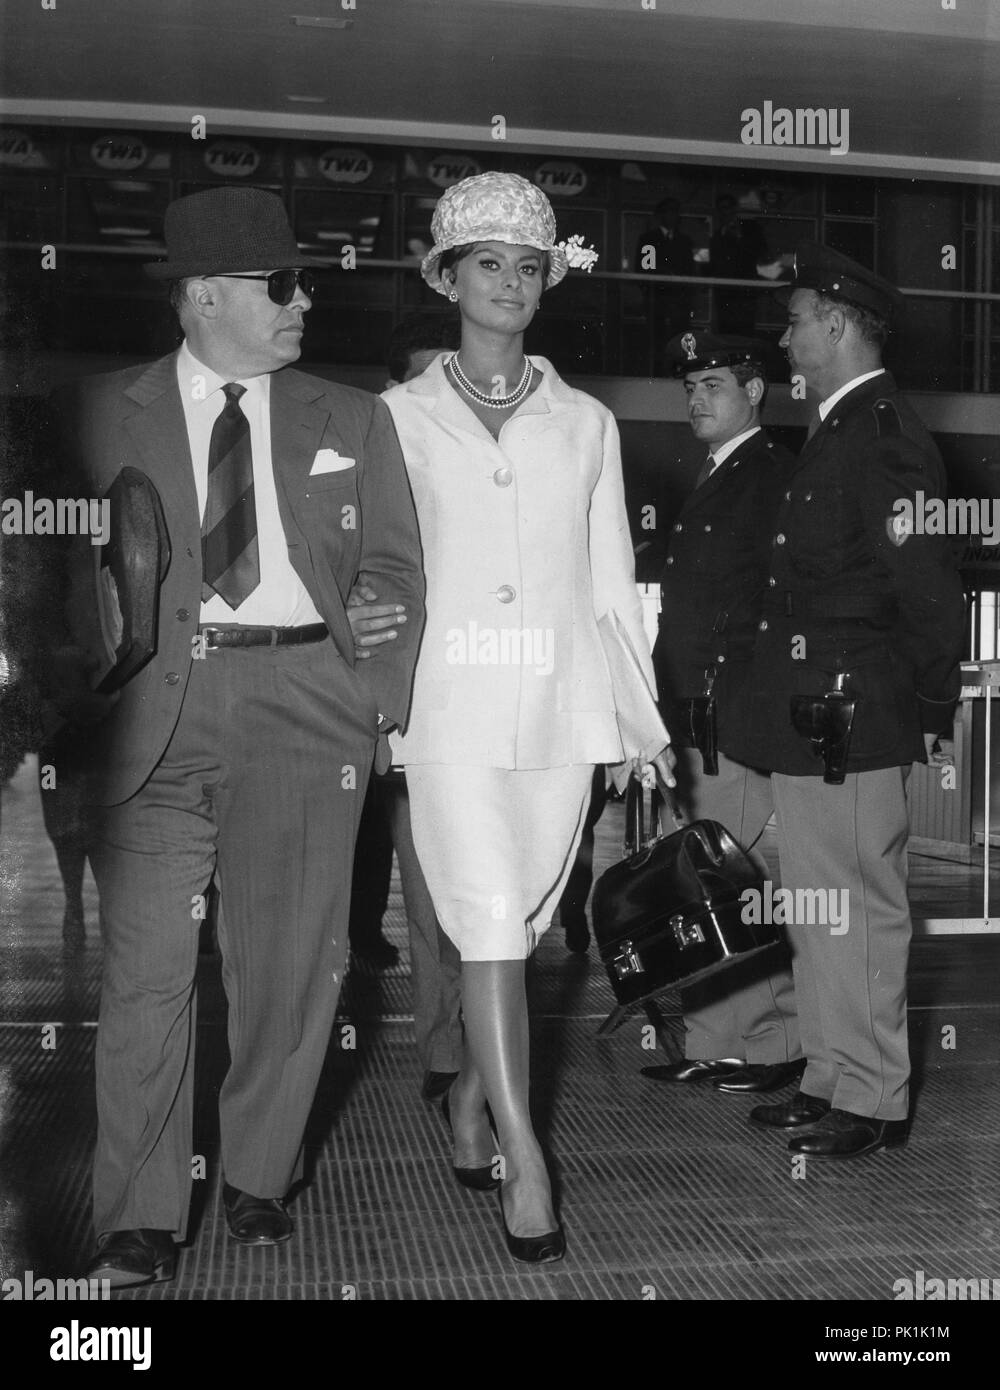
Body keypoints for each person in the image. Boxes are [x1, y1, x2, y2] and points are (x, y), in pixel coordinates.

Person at [57, 186, 424, 1286]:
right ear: (203, 295)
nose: (301, 300)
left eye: (301, 280)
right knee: (144, 976)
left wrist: (375, 686)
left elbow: (396, 567)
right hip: (152, 717)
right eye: (280, 285)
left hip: (307, 706)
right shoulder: (95, 410)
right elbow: (47, 579)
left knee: (290, 967)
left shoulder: (353, 418)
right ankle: (139, 1212)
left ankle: (260, 1171)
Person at [382, 172, 673, 1262]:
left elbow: (611, 584)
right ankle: (526, 1156)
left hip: (560, 711)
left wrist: (639, 729)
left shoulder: (587, 424)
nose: (508, 283)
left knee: (531, 921)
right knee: (492, 915)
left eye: (527, 266)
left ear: (546, 284)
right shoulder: (395, 419)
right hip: (448, 707)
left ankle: (468, 1100)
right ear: (447, 278)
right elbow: (382, 570)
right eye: (487, 264)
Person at [724, 244, 965, 1158]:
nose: (784, 339)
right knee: (821, 907)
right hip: (816, 715)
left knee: (857, 905)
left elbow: (931, 593)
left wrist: (923, 711)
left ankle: (871, 1098)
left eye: (792, 321)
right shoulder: (839, 429)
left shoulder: (885, 434)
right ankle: (831, 1075)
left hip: (854, 717)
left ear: (834, 322)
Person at [642, 332, 803, 1093]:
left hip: (728, 710)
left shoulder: (771, 473)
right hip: (694, 708)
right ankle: (727, 1040)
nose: (696, 399)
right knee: (713, 874)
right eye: (691, 387)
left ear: (755, 391)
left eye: (713, 384)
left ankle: (765, 1046)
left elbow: (774, 605)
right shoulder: (719, 472)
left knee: (730, 873)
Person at [348, 310, 464, 1097]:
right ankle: (447, 1051)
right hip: (386, 722)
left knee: (476, 901)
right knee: (423, 897)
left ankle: (469, 1051)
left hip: (476, 713)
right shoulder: (356, 472)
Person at [633, 198, 696, 372]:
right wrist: (664, 275)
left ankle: (677, 372)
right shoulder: (649, 239)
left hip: (679, 302)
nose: (672, 216)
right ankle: (657, 372)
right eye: (668, 212)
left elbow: (689, 271)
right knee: (657, 340)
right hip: (657, 300)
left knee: (679, 339)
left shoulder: (684, 241)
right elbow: (645, 269)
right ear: (660, 215)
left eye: (675, 212)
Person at [708, 194, 770, 335]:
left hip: (745, 291)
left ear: (734, 209)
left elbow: (762, 252)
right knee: (726, 331)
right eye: (721, 209)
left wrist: (739, 237)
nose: (725, 212)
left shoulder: (751, 228)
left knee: (745, 330)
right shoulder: (717, 237)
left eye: (727, 208)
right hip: (725, 294)